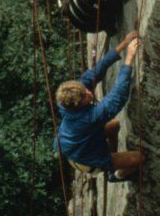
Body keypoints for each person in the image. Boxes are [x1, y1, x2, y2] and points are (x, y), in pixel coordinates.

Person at [55, 31, 144, 181]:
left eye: (85, 90)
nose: (89, 93)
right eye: (85, 97)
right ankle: (116, 174)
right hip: (87, 159)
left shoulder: (70, 99)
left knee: (114, 125)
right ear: (78, 106)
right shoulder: (87, 118)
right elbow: (117, 97)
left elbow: (98, 70)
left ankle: (112, 161)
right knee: (139, 158)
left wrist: (124, 43)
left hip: (79, 145)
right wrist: (129, 58)